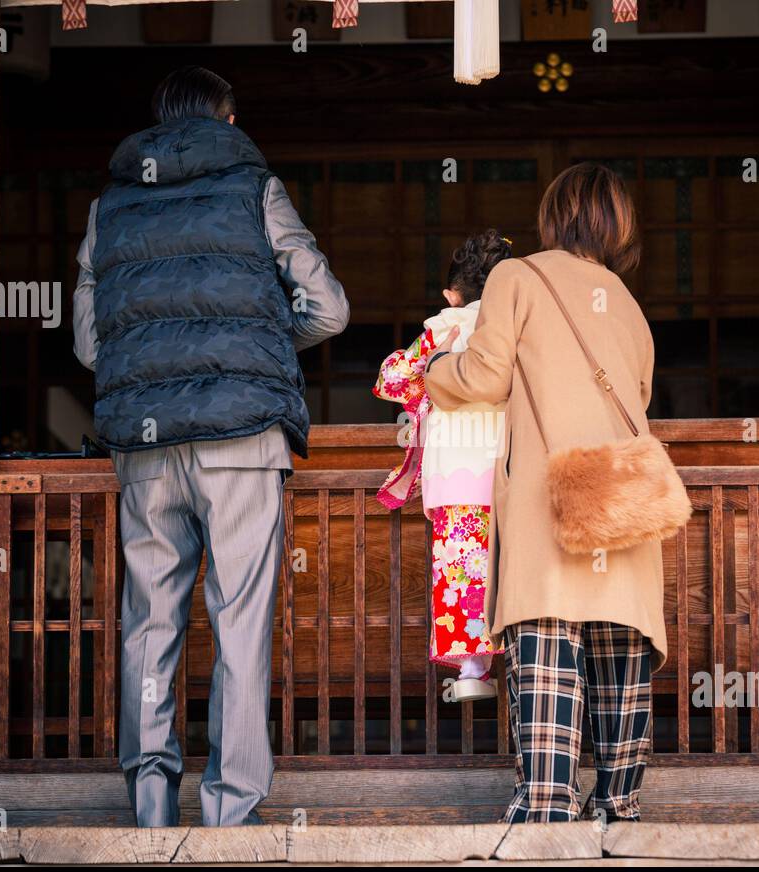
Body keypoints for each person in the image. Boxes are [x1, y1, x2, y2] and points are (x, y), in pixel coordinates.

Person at [72, 66, 349, 827]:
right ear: (225, 120)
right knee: (239, 627)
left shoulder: (112, 207)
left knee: (151, 626)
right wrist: (254, 346)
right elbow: (328, 308)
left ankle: (153, 804)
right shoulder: (255, 189)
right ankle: (229, 811)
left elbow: (93, 344)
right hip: (242, 443)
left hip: (147, 451)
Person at [424, 163, 666, 823]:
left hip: (549, 502)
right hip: (622, 499)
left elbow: (482, 374)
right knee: (621, 651)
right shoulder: (628, 302)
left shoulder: (516, 277)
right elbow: (638, 397)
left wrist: (433, 371)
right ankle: (619, 804)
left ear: (555, 217)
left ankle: (547, 805)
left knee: (549, 650)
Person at [372, 230, 512, 702]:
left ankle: (474, 670)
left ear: (453, 293)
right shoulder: (514, 325)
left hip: (457, 472)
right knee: (512, 567)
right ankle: (528, 663)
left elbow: (392, 379)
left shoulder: (444, 325)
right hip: (510, 469)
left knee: (464, 572)